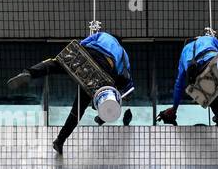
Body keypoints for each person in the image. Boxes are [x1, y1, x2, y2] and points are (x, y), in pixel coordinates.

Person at [7, 20, 133, 154]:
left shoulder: (103, 35)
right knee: (78, 110)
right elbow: (126, 80)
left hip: (87, 57)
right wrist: (124, 94)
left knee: (55, 64)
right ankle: (60, 141)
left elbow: (84, 43)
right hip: (103, 72)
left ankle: (29, 73)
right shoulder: (123, 54)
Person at [154, 28, 218, 163]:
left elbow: (179, 84)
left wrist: (174, 108)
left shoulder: (184, 52)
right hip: (211, 64)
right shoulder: (210, 39)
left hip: (198, 80)